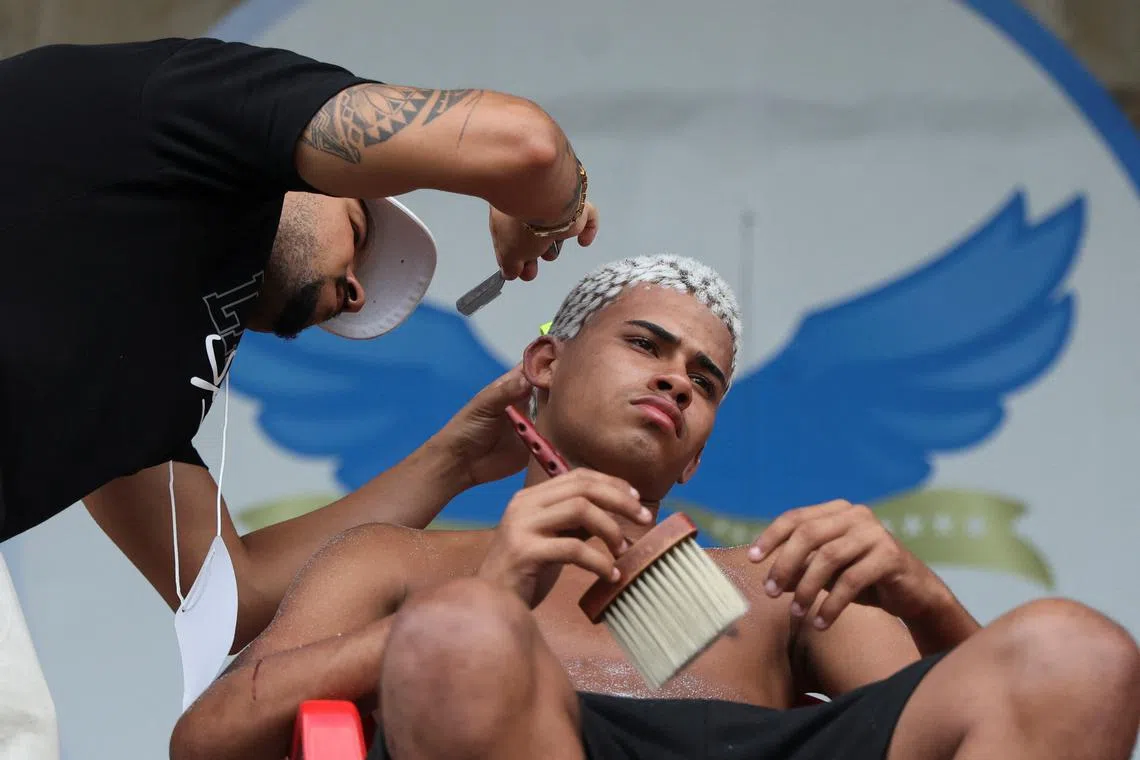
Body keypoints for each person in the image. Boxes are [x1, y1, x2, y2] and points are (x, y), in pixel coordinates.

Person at [170, 253, 1140, 760]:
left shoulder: (768, 585)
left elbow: (986, 717)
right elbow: (207, 740)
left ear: (703, 444)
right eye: (647, 345)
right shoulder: (402, 563)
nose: (678, 378)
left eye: (706, 377)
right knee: (462, 630)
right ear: (543, 365)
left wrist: (925, 600)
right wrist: (489, 593)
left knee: (1076, 650)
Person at [0, 35, 597, 756]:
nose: (354, 293)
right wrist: (543, 213)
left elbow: (236, 594)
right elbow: (527, 149)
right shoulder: (199, 103)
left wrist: (457, 460)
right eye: (359, 230)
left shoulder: (149, 387)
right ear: (303, 175)